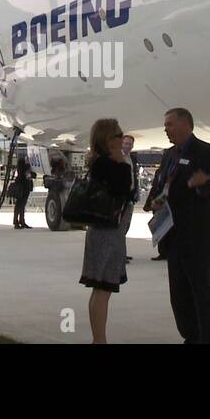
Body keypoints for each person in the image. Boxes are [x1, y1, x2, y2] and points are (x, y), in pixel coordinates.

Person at [150, 107, 210, 344]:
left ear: (186, 125)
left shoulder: (206, 152)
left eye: (170, 124)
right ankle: (190, 336)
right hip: (172, 235)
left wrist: (203, 184)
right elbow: (164, 183)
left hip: (197, 236)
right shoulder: (169, 154)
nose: (166, 129)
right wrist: (156, 200)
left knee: (201, 291)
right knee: (178, 294)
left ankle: (208, 338)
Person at [78, 118, 133, 344]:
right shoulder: (109, 165)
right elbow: (122, 191)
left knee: (100, 289)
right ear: (108, 140)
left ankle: (98, 339)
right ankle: (99, 340)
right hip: (107, 232)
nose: (123, 139)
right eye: (118, 135)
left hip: (102, 230)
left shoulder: (99, 163)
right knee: (103, 289)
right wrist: (122, 163)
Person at [121, 135, 140, 262]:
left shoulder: (131, 158)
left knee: (126, 225)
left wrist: (136, 191)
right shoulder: (118, 157)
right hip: (121, 197)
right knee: (120, 226)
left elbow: (134, 175)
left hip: (130, 196)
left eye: (130, 144)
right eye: (126, 143)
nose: (128, 146)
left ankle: (122, 252)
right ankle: (120, 254)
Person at [144, 164, 167, 261]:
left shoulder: (172, 171)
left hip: (167, 202)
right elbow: (155, 187)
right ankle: (162, 252)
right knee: (159, 227)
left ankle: (168, 251)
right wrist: (149, 202)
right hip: (158, 201)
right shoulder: (159, 172)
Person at [12, 155, 36, 229]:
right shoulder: (25, 168)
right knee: (21, 205)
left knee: (19, 205)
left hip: (22, 188)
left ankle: (19, 221)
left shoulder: (20, 169)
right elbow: (33, 175)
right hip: (24, 188)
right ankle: (19, 221)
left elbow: (32, 175)